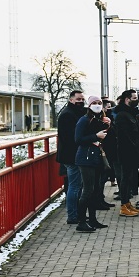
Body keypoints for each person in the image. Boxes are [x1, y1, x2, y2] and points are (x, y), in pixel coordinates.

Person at [73, 97, 112, 232]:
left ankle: (93, 220)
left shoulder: (98, 120)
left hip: (95, 158)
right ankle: (82, 221)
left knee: (95, 190)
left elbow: (103, 135)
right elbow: (78, 139)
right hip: (86, 158)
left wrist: (107, 126)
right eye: (94, 103)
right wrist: (96, 136)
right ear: (89, 106)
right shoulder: (84, 120)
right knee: (88, 190)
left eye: (99, 103)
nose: (97, 106)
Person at [55, 89, 84, 225]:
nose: (81, 102)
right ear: (71, 100)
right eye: (78, 99)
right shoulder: (67, 115)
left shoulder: (72, 113)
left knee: (76, 186)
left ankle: (75, 213)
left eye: (82, 99)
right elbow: (69, 138)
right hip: (71, 157)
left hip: (72, 156)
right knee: (74, 186)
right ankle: (72, 215)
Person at [113, 89, 139, 216]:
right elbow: (126, 136)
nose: (136, 100)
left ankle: (127, 204)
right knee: (125, 179)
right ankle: (124, 206)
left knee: (128, 178)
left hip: (131, 152)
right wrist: (136, 149)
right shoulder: (122, 115)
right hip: (127, 152)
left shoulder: (128, 113)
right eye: (134, 98)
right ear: (127, 99)